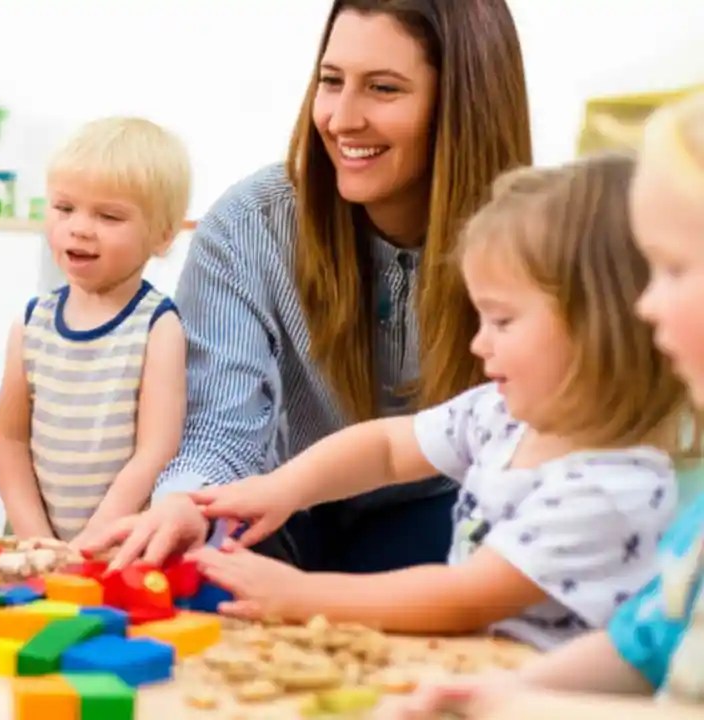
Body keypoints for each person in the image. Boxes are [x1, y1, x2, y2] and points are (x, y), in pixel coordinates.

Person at [81, 0, 535, 573]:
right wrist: (187, 503)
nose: (342, 119)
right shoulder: (251, 223)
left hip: (439, 511)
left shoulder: (535, 242)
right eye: (331, 81)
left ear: (462, 106)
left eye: (384, 88)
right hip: (280, 505)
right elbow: (221, 424)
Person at [188, 154, 694, 649]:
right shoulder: (498, 417)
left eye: (502, 321)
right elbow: (387, 448)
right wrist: (281, 490)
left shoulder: (613, 487)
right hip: (474, 678)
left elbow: (464, 598)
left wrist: (300, 594)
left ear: (595, 329)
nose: (479, 344)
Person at [381, 92, 704, 718]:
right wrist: (494, 695)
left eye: (672, 268)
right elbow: (641, 650)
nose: (645, 306)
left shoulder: (621, 483)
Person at [0, 117, 189, 543]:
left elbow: (156, 449)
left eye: (109, 215)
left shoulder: (158, 326)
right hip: (37, 542)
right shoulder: (32, 324)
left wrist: (93, 539)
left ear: (163, 235)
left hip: (117, 544)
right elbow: (9, 441)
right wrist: (36, 537)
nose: (79, 227)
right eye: (64, 208)